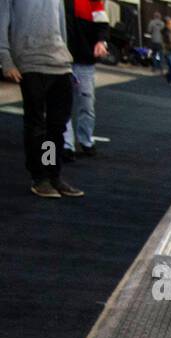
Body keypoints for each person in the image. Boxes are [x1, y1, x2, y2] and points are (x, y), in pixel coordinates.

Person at [1, 0, 84, 197]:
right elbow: (2, 20)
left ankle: (53, 173)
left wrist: (67, 60)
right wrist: (6, 59)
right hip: (30, 61)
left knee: (56, 126)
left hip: (59, 62)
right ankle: (39, 177)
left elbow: (61, 25)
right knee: (36, 125)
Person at [63, 0, 109, 159]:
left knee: (87, 104)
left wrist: (101, 41)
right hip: (61, 60)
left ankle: (86, 140)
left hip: (84, 60)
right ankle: (66, 145)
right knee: (63, 103)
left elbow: (102, 23)